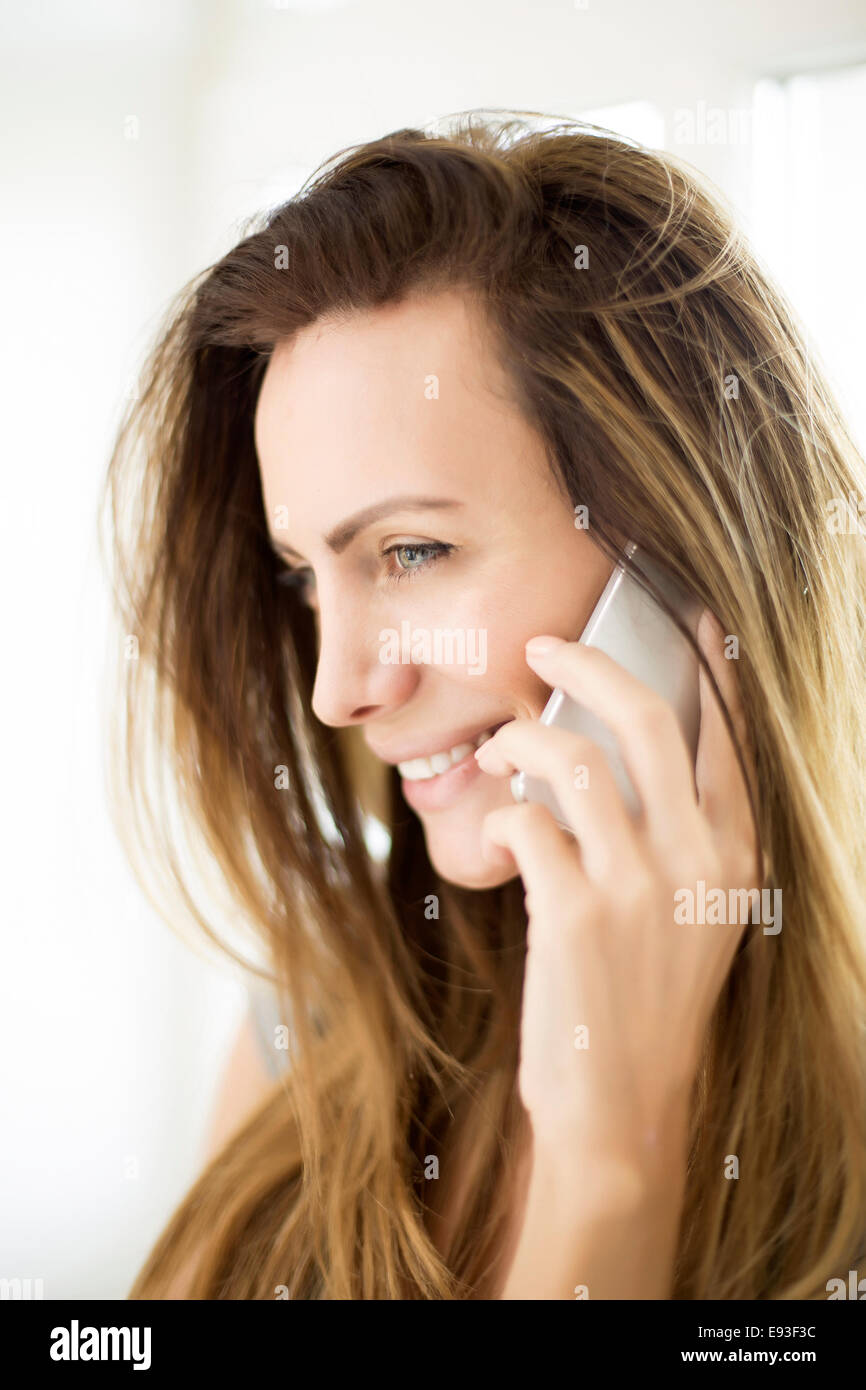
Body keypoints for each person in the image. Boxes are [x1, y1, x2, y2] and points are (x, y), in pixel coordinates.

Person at [104, 112, 866, 1299]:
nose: (339, 687)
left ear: (674, 576)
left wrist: (610, 1154)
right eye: (306, 575)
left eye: (409, 552)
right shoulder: (319, 1023)